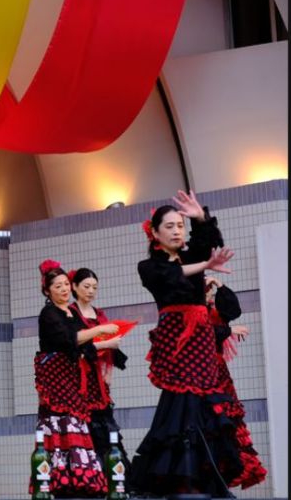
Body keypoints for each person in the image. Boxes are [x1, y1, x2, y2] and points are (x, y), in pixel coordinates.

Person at [128, 191, 241, 496]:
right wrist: (205, 264)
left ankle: (205, 479)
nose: (178, 230)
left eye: (181, 225)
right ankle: (176, 480)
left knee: (205, 405)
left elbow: (210, 245)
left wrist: (200, 218)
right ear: (154, 233)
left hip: (202, 340)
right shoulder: (148, 266)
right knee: (182, 404)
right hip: (177, 341)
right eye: (170, 226)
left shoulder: (192, 255)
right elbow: (171, 275)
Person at [32, 260, 113, 497]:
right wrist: (98, 331)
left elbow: (85, 346)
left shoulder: (71, 312)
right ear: (47, 291)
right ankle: (60, 481)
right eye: (58, 286)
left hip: (74, 378)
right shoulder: (49, 313)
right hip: (56, 379)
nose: (65, 289)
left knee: (77, 422)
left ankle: (80, 479)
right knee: (61, 422)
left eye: (66, 284)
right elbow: (68, 340)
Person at [204, 276, 266, 490]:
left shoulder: (214, 309)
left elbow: (233, 310)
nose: (208, 291)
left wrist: (219, 285)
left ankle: (224, 473)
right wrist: (229, 331)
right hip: (198, 374)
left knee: (227, 422)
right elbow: (201, 335)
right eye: (205, 288)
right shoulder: (190, 312)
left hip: (219, 373)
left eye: (209, 288)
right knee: (206, 422)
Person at [68, 267, 130, 475]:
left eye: (95, 287)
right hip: (79, 378)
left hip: (99, 380)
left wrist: (108, 371)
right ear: (74, 287)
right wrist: (106, 344)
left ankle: (115, 479)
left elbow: (109, 348)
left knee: (106, 428)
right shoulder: (70, 313)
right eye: (86, 286)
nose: (91, 291)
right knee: (84, 427)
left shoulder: (100, 314)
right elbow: (75, 344)